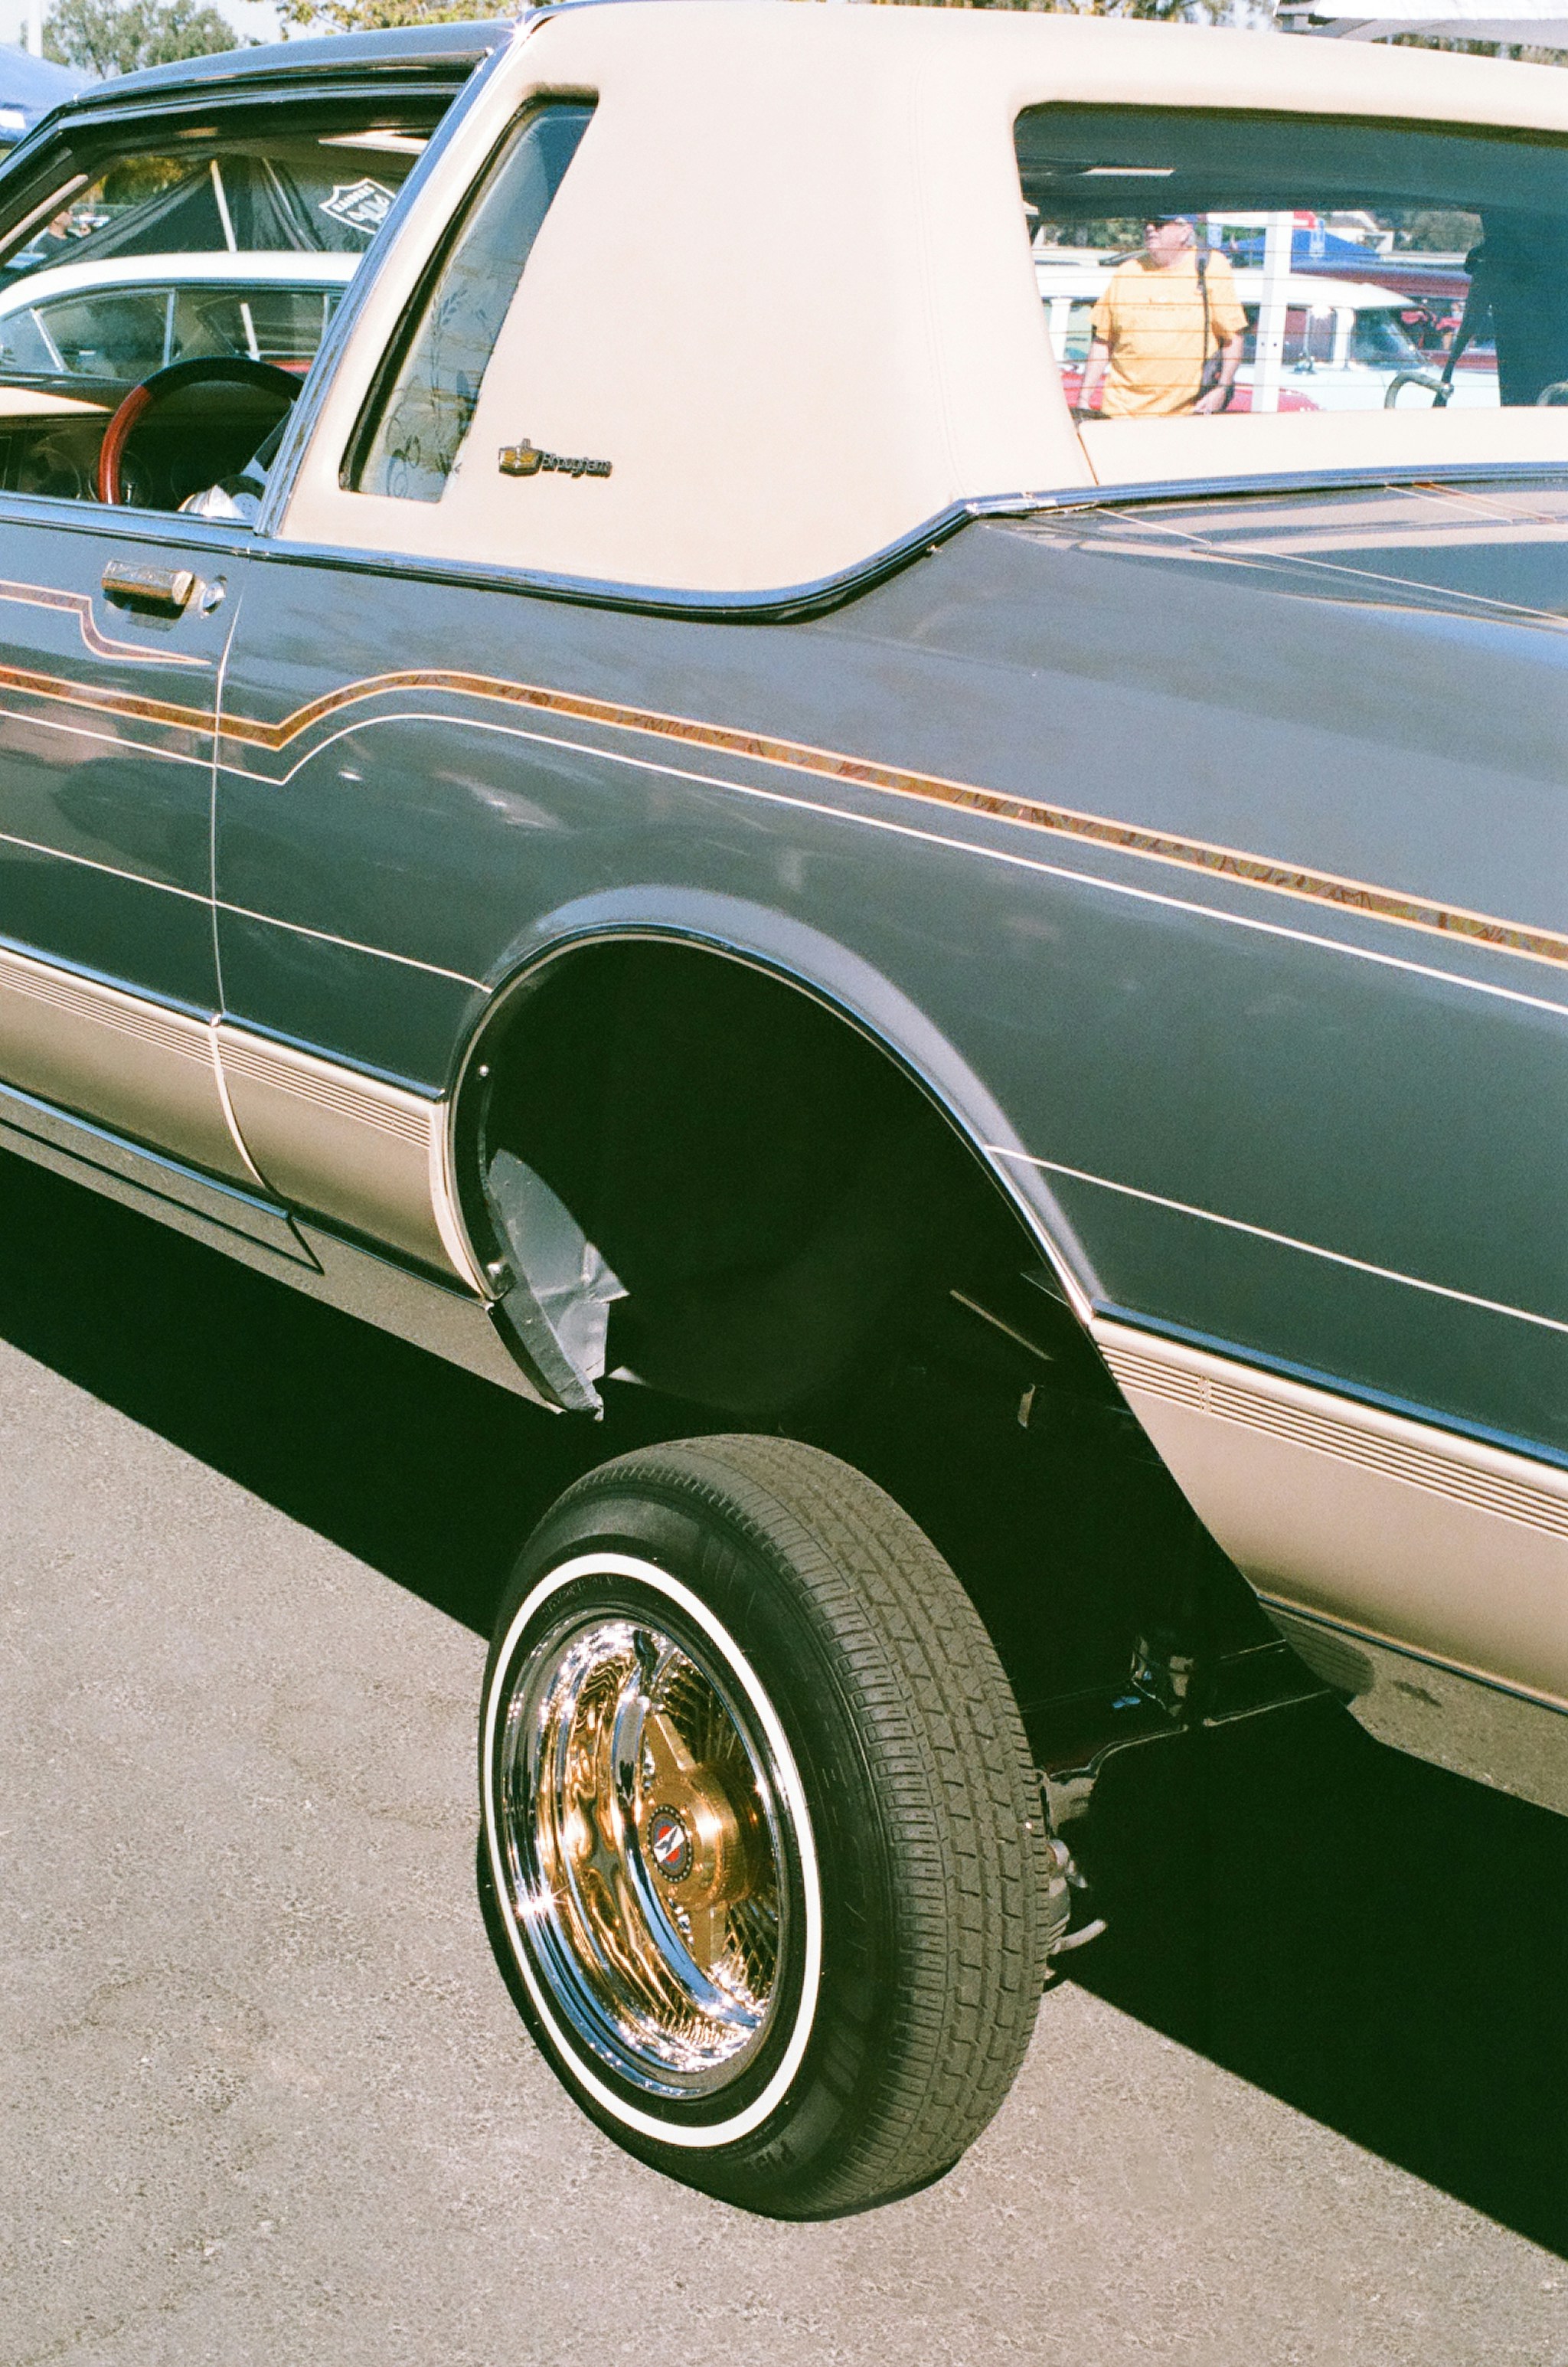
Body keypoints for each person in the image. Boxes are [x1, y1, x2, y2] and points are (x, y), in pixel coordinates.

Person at [1077, 215, 1245, 419]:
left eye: (1159, 224)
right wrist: (1084, 399)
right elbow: (1103, 341)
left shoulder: (1210, 267)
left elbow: (1233, 337)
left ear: (1184, 231)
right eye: (1146, 223)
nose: (1149, 229)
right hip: (1120, 414)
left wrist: (1222, 388)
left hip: (1182, 416)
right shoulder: (1127, 273)